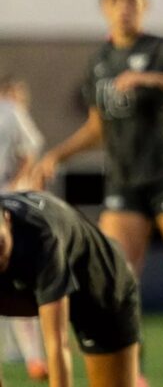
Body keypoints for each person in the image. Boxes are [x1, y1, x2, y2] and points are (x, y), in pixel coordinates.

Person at [32, 0, 163, 378]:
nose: (124, 5)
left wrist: (151, 78)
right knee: (115, 285)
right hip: (123, 185)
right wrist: (56, 155)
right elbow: (98, 127)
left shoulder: (162, 49)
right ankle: (133, 375)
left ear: (145, 6)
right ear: (104, 8)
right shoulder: (99, 62)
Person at [0, 190, 141, 386]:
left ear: (7, 220)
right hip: (29, 288)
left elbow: (57, 346)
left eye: (0, 246)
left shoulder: (42, 238)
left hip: (100, 286)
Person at [0, 77, 48, 382]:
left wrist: (17, 187)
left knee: (17, 278)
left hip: (8, 205)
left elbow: (31, 150)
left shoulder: (10, 110)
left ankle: (34, 356)